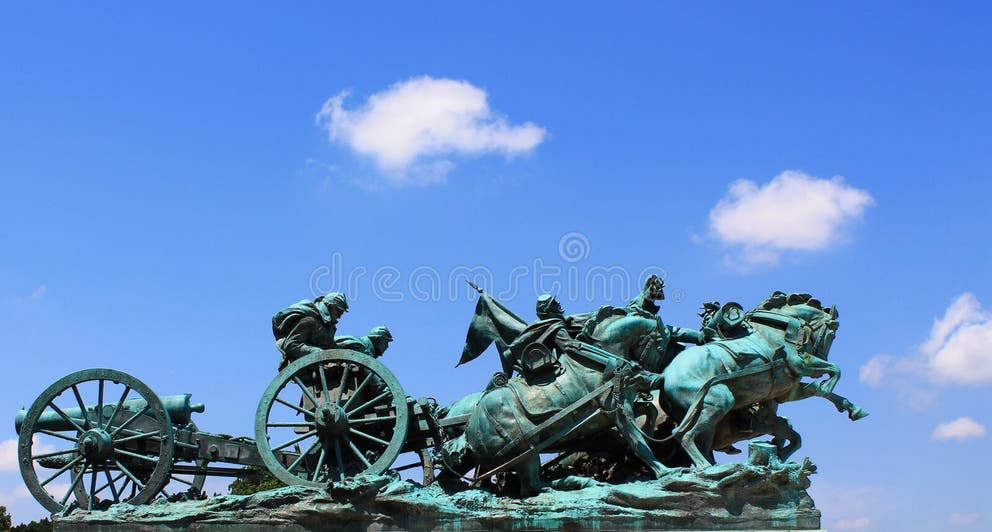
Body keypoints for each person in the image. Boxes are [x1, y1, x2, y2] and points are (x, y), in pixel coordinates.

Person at [272, 292, 349, 369]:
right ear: (330, 306)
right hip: (305, 366)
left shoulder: (328, 326)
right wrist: (317, 352)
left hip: (322, 364)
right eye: (339, 311)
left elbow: (329, 346)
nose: (339, 316)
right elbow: (291, 345)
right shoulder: (309, 321)